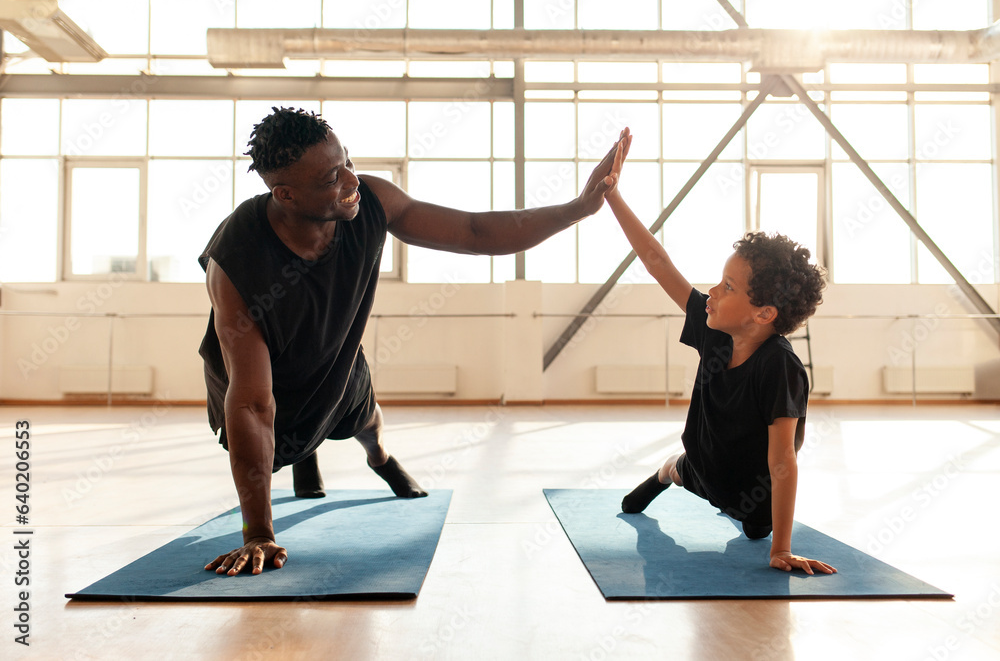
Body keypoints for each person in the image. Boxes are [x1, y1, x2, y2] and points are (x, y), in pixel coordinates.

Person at [199, 107, 623, 577]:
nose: (351, 181)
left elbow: (473, 231)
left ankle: (383, 460)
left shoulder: (372, 200)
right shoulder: (237, 261)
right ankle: (305, 456)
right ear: (286, 194)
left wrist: (577, 208)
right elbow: (255, 405)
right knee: (278, 438)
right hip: (259, 380)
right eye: (332, 178)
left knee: (367, 423)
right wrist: (258, 533)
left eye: (349, 163)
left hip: (336, 355)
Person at [607, 128, 835, 575]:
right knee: (680, 470)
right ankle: (666, 470)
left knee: (756, 531)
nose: (711, 291)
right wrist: (611, 195)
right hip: (702, 466)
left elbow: (783, 460)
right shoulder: (714, 328)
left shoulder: (780, 368)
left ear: (764, 314)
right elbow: (657, 261)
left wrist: (781, 549)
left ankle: (727, 505)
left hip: (751, 492)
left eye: (728, 287)